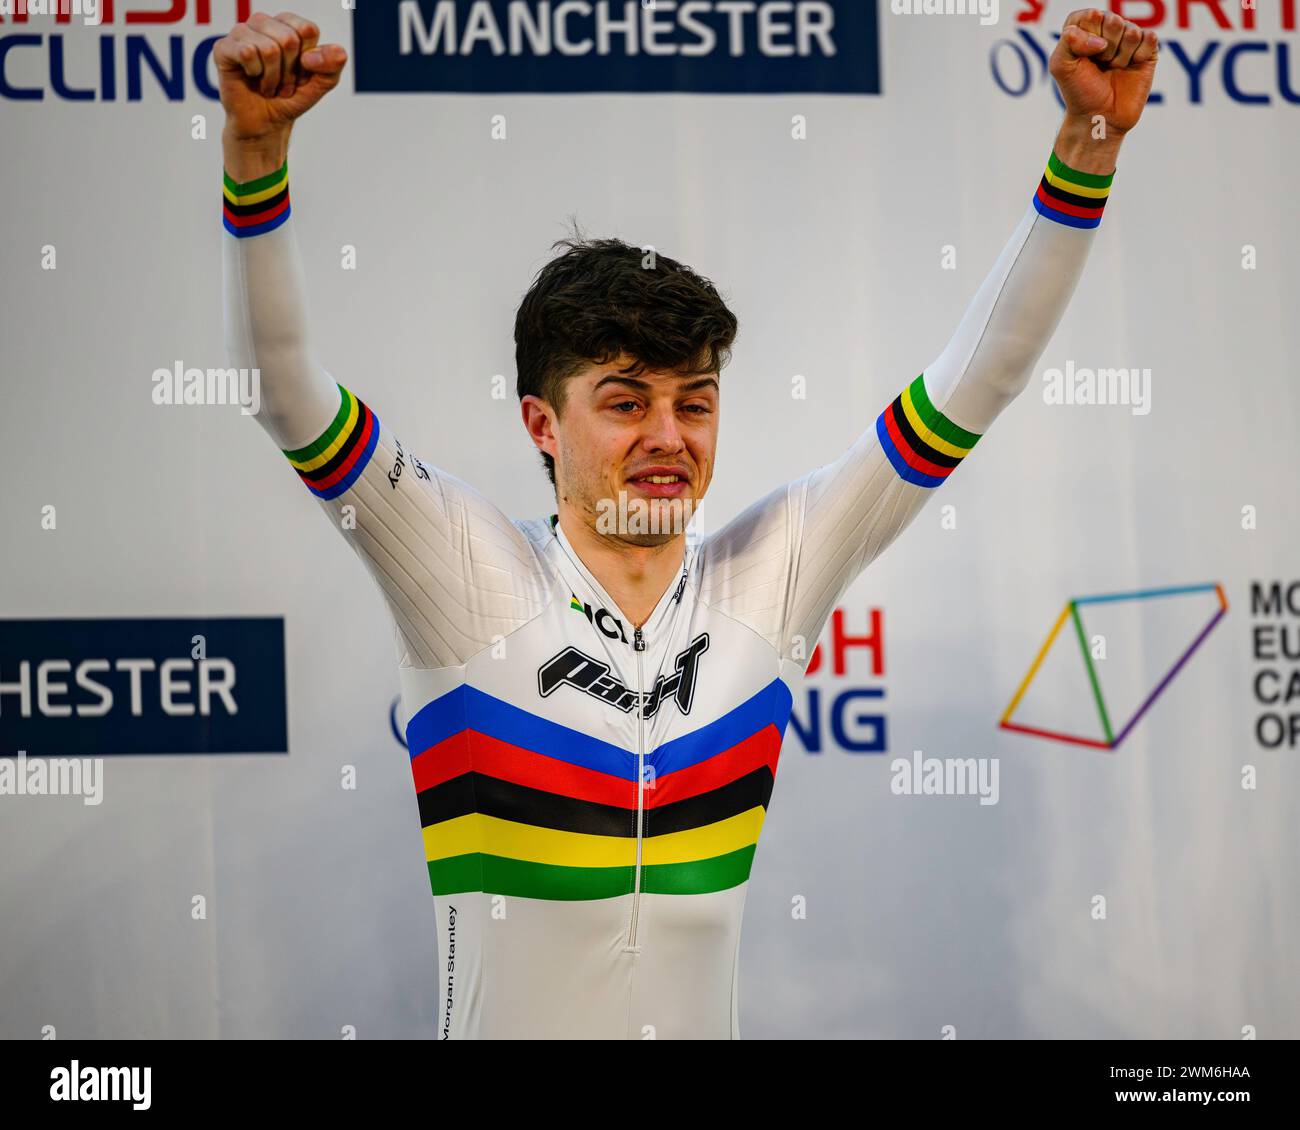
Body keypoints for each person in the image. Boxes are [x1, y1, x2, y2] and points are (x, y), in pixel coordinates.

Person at [218, 8, 1158, 1039]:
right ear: (542, 422)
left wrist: (1088, 145)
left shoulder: (771, 573)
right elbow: (284, 391)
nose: (669, 435)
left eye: (694, 401)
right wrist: (256, 156)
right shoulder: (464, 574)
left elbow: (982, 376)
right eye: (626, 402)